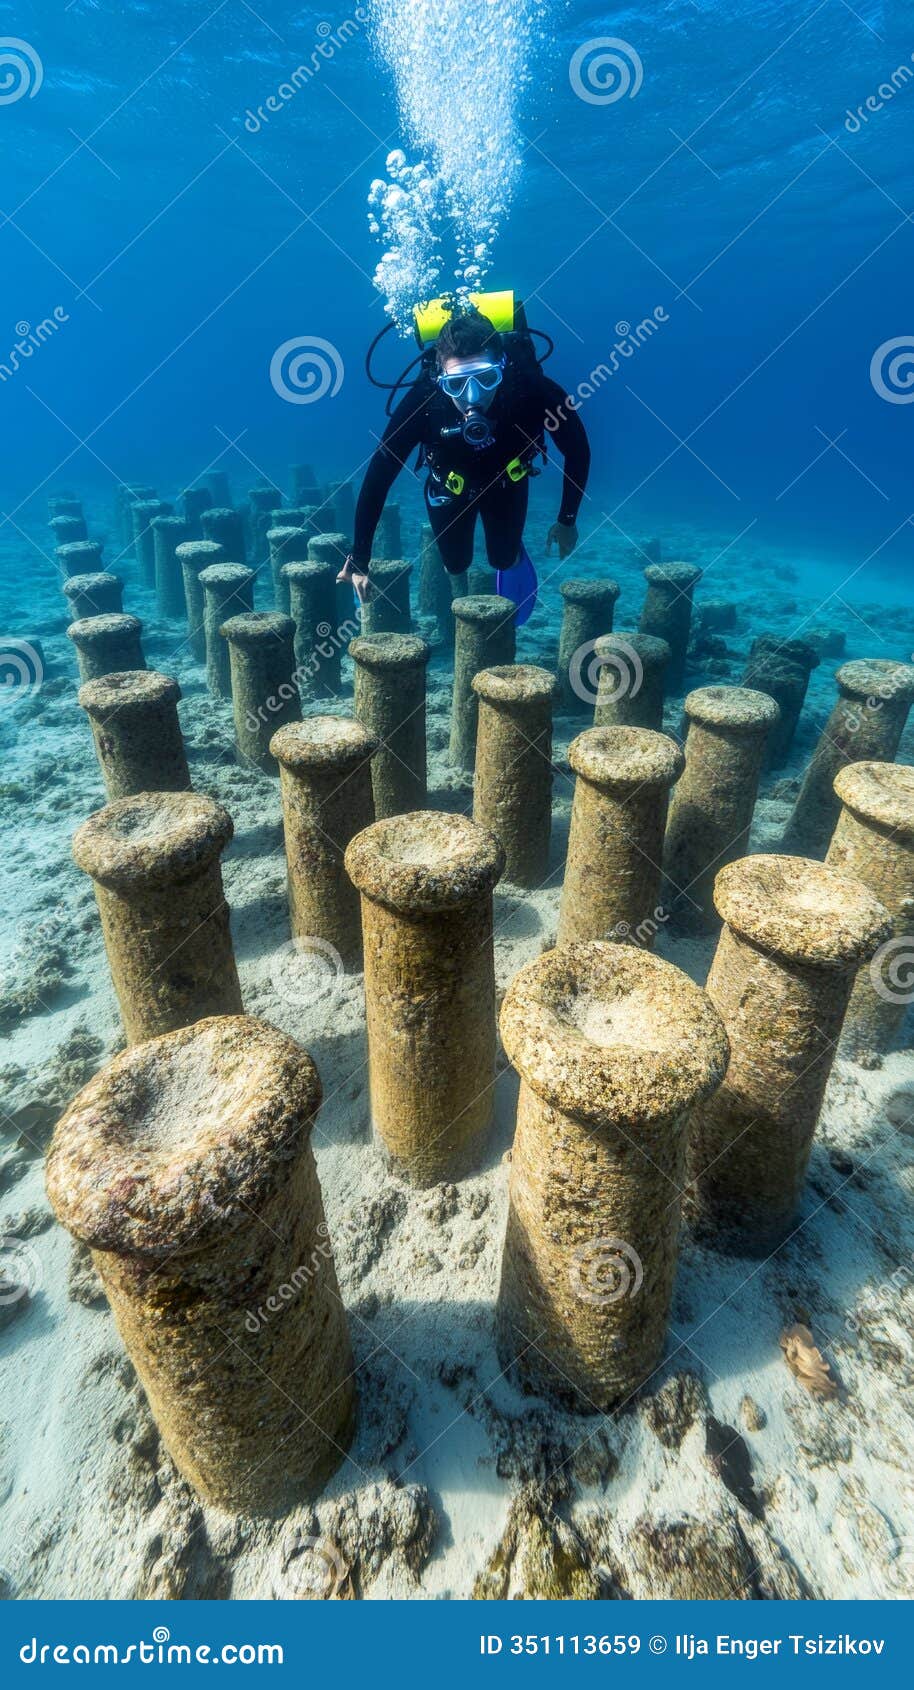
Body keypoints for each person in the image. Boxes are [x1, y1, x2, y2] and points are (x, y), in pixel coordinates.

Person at [338, 307, 590, 603]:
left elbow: (578, 450)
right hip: (448, 487)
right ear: (440, 378)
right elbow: (379, 475)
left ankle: (511, 555)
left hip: (507, 484)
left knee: (503, 559)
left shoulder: (531, 389)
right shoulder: (424, 401)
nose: (473, 396)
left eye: (486, 379)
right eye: (456, 384)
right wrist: (360, 558)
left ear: (503, 367)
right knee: (455, 565)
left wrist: (567, 519)